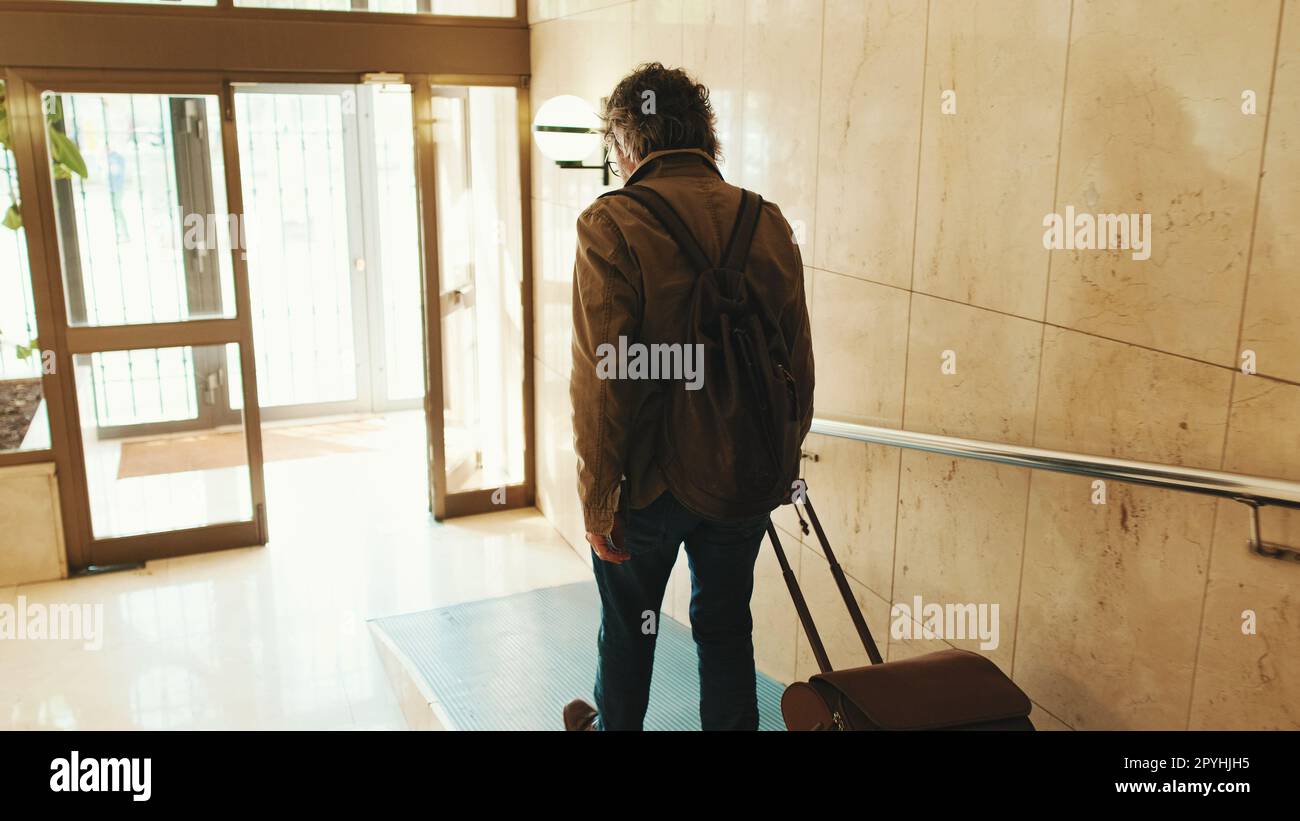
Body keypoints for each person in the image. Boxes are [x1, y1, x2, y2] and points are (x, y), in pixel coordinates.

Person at [564, 63, 814, 731]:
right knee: (726, 627)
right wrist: (778, 470)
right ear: (705, 134)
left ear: (626, 141)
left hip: (645, 483)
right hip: (739, 477)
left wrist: (597, 495)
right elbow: (799, 368)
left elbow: (603, 380)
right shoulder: (766, 222)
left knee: (629, 630)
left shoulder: (611, 223)